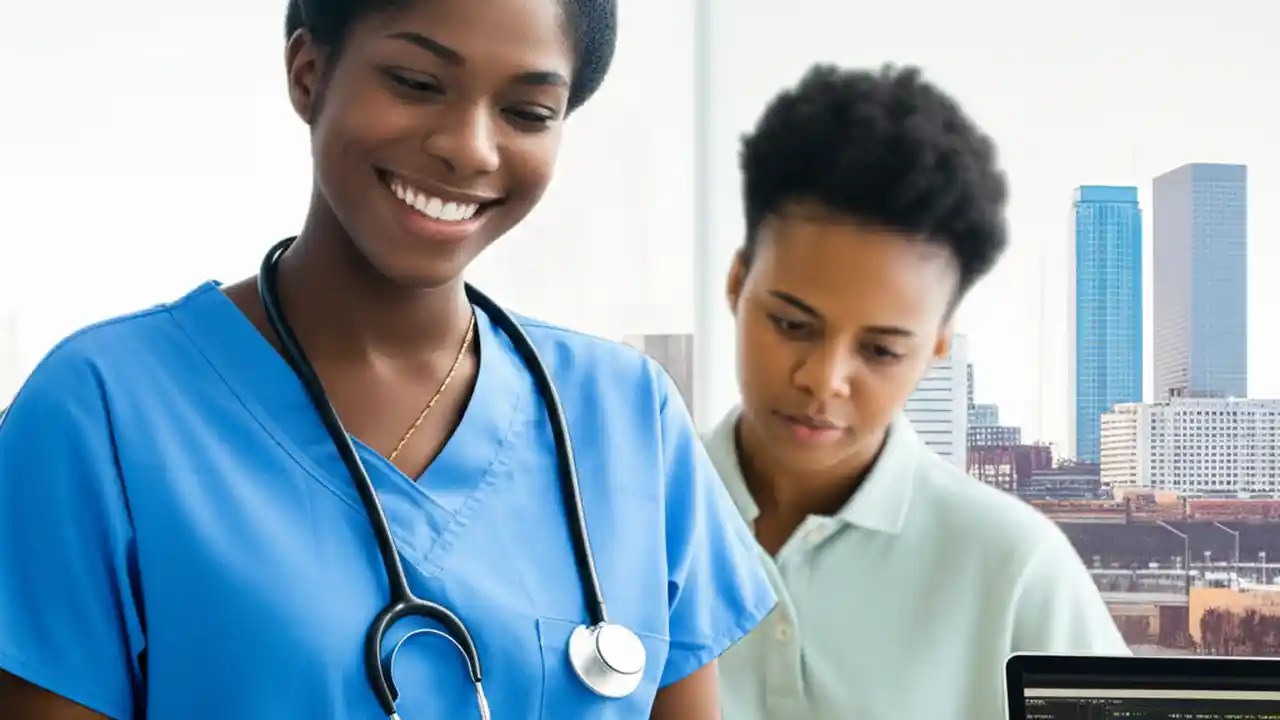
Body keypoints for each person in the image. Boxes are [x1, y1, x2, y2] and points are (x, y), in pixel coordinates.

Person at [0, 1, 776, 717]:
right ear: (309, 74)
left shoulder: (629, 416)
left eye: (527, 112)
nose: (469, 148)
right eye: (416, 82)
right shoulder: (100, 411)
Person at [706, 64, 1131, 720]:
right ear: (737, 283)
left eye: (880, 350)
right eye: (792, 324)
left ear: (937, 345)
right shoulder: (620, 525)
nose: (824, 379)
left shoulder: (1013, 565)